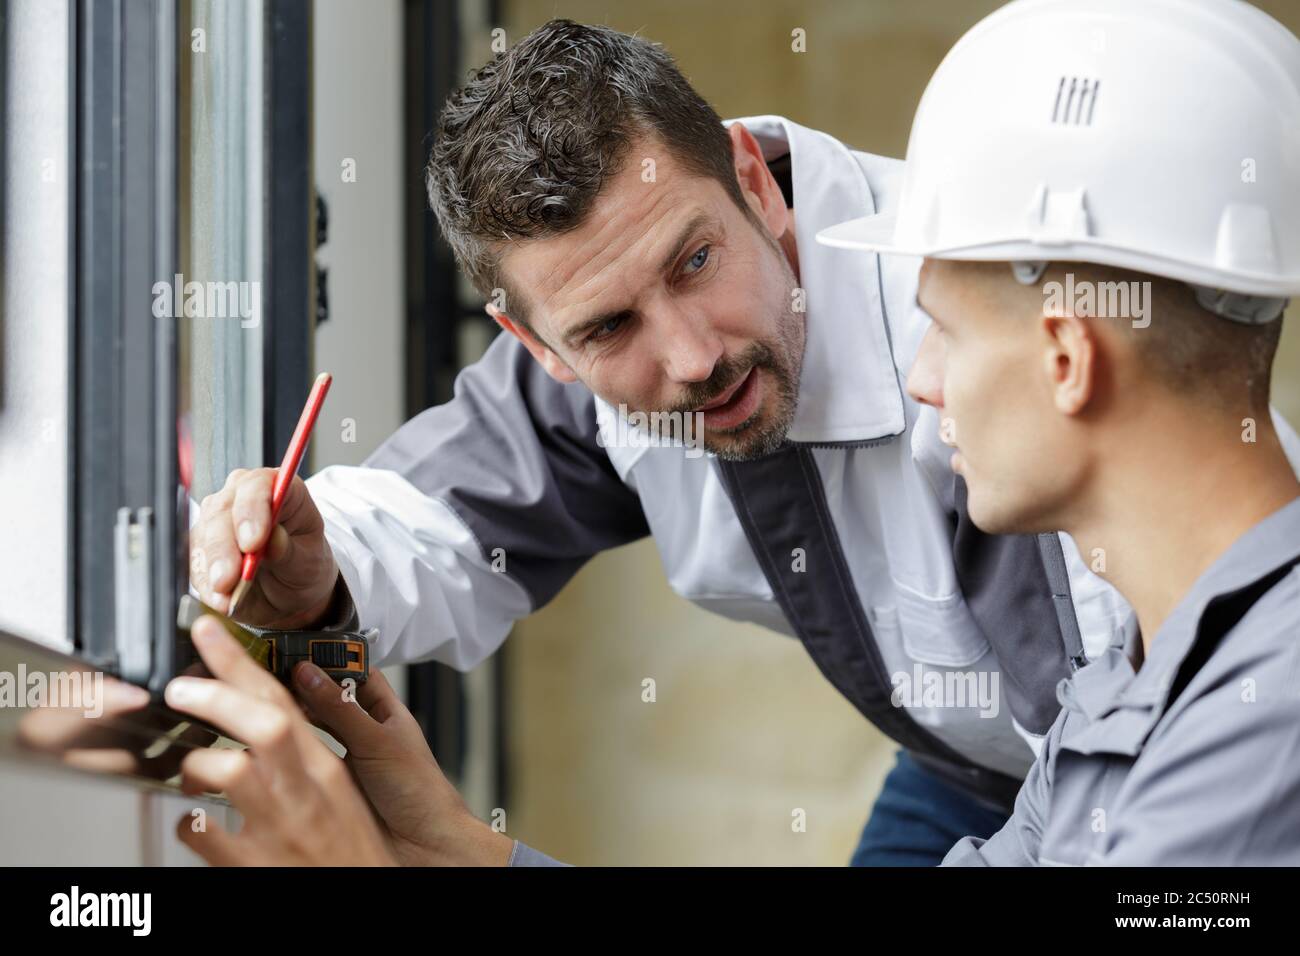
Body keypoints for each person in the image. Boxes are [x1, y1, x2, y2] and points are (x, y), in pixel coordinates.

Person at [175, 10, 1300, 866]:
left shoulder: (1199, 668)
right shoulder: (604, 350)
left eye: (695, 263)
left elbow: (1182, 727)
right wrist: (320, 577)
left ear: (754, 181)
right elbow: (435, 518)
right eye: (606, 327)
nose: (688, 356)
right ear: (541, 341)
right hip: (997, 768)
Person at [816, 0, 1300, 865]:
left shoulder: (1264, 719)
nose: (923, 381)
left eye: (945, 329)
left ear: (1068, 359)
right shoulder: (1120, 683)